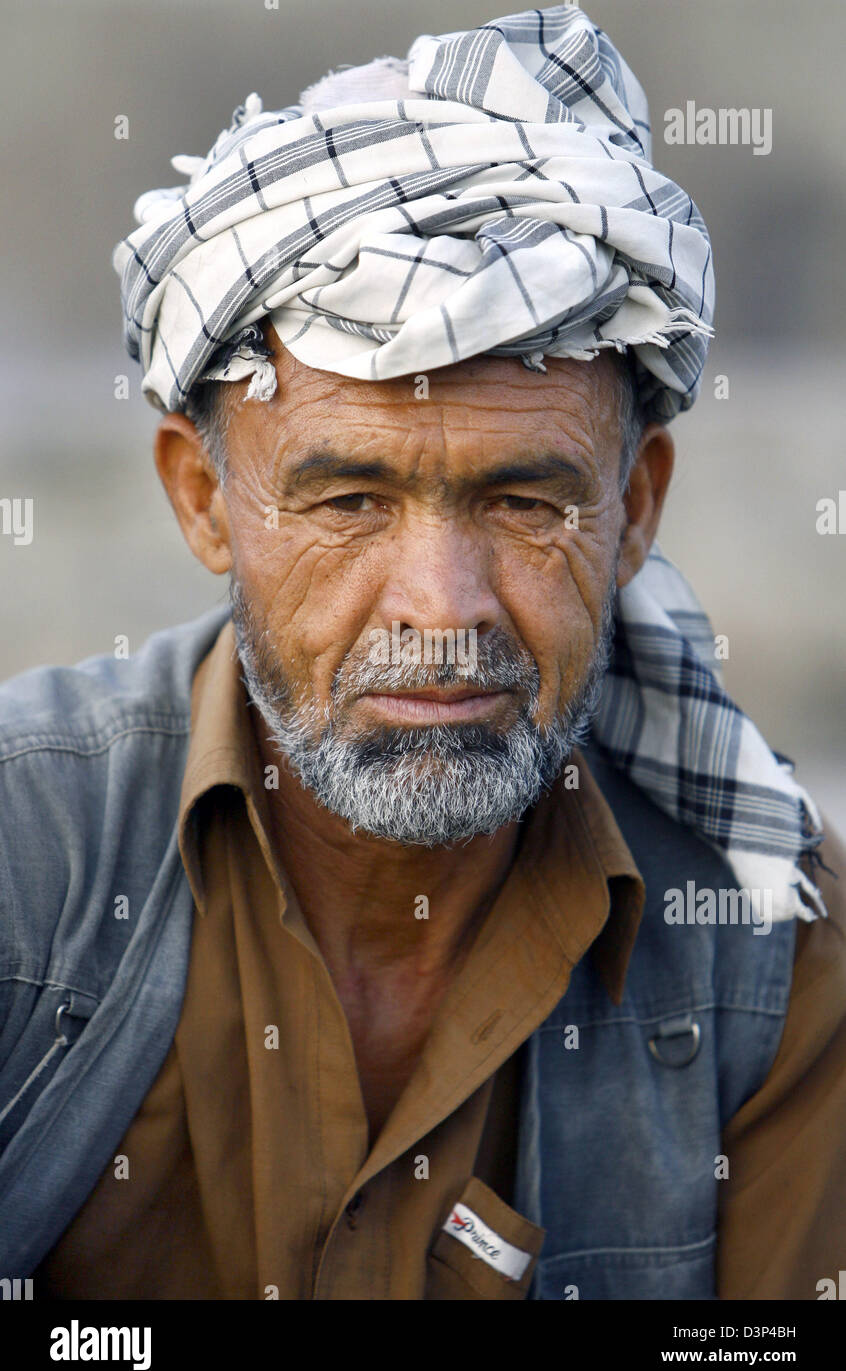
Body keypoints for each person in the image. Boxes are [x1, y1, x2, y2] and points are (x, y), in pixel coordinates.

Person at [1, 4, 844, 1300]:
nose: (442, 607)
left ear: (632, 509)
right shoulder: (28, 851)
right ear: (202, 499)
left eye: (523, 503)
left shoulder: (766, 937)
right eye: (347, 504)